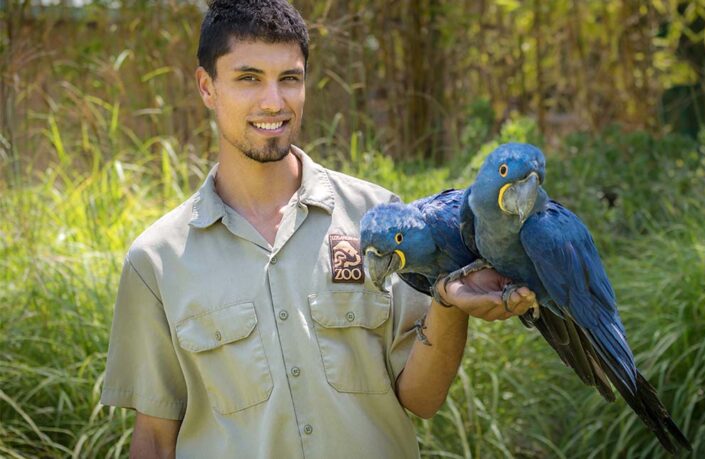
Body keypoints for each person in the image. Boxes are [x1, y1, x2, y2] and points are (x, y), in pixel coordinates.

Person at [100, 1, 537, 457]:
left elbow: (422, 399)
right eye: (249, 78)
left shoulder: (380, 219)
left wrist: (448, 304)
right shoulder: (157, 260)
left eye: (289, 78)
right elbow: (153, 438)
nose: (274, 101)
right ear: (207, 87)